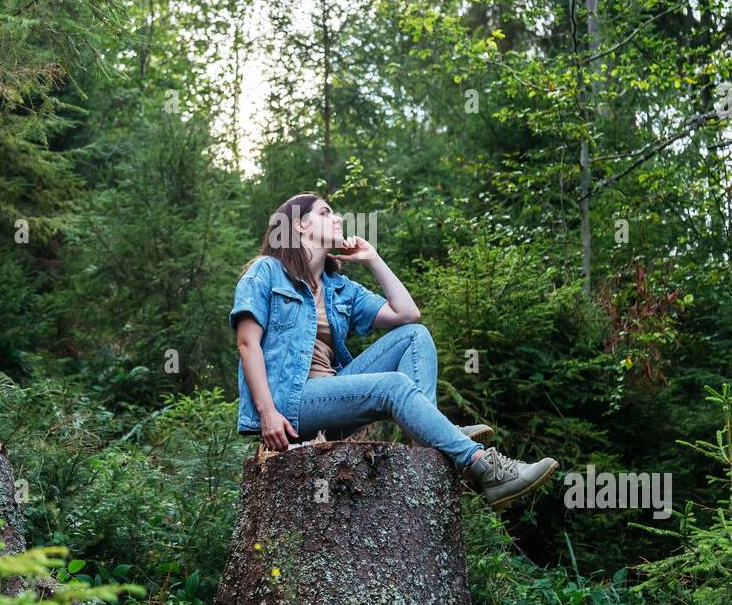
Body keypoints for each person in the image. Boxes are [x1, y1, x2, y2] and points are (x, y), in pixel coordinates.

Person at [229, 191, 560, 510]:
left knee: (415, 335)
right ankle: (487, 467)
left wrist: (373, 258)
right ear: (299, 225)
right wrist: (267, 412)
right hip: (289, 405)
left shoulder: (340, 289)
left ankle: (431, 431)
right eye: (325, 212)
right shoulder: (267, 271)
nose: (338, 217)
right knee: (392, 385)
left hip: (329, 403)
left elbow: (407, 313)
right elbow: (247, 344)